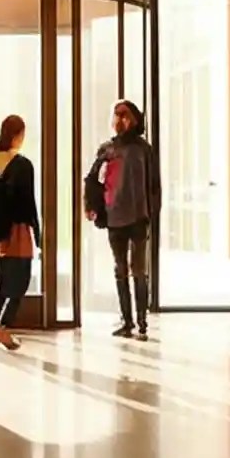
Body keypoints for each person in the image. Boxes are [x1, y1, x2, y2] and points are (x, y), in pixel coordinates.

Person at [85, 100, 161, 340]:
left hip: (139, 217)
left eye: (125, 115)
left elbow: (154, 185)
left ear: (135, 119)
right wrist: (91, 207)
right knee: (120, 269)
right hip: (114, 217)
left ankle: (142, 321)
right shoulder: (107, 150)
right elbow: (91, 180)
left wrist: (153, 213)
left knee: (138, 269)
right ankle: (126, 321)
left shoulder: (144, 150)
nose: (120, 120)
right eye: (116, 115)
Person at [0, 115, 41, 351]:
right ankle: (1, 327)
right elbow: (28, 203)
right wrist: (38, 232)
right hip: (17, 231)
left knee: (1, 280)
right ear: (18, 135)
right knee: (20, 281)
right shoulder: (23, 164)